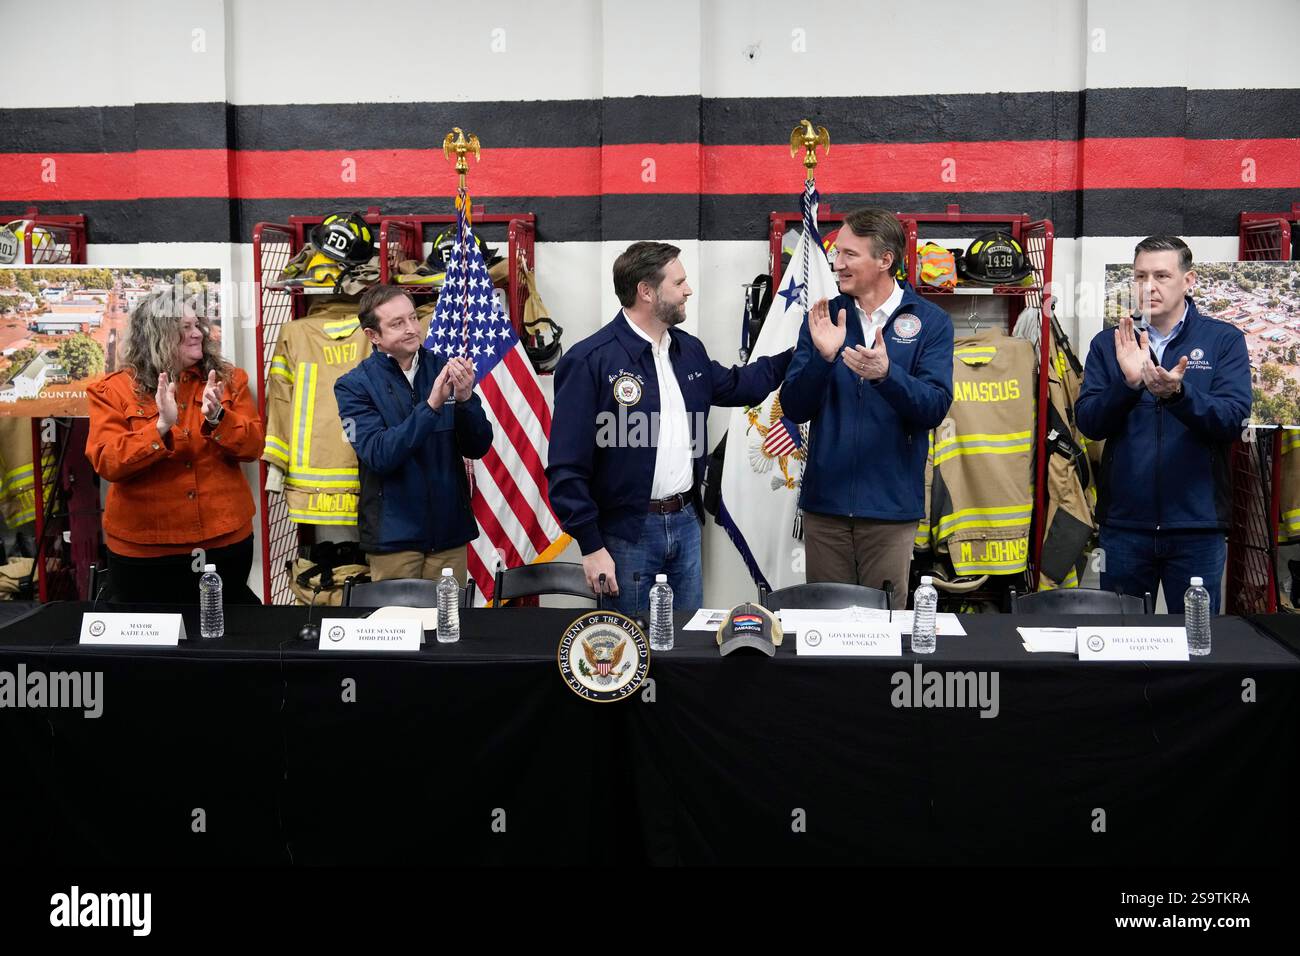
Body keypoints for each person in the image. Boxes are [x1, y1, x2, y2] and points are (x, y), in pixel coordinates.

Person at [546, 241, 793, 617]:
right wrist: (590, 545)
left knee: (688, 647)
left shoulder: (688, 351)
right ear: (646, 291)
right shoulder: (589, 361)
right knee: (628, 650)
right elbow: (567, 467)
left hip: (686, 525)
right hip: (625, 535)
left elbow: (741, 385)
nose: (688, 290)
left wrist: (801, 353)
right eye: (679, 283)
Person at [780, 207, 954, 609]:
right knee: (822, 629)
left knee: (883, 633)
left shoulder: (930, 322)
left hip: (891, 512)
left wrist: (886, 375)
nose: (836, 263)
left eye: (848, 254)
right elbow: (793, 406)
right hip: (826, 510)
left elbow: (933, 408)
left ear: (885, 260)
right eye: (836, 253)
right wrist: (822, 360)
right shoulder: (824, 317)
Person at [1076, 236, 1250, 613]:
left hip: (1197, 526)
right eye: (1140, 276)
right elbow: (1089, 422)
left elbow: (1233, 420)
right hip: (1124, 527)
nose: (1148, 286)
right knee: (1122, 644)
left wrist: (1178, 395)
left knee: (1195, 646)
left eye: (1161, 275)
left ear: (1188, 281)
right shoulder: (1110, 343)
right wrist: (1127, 386)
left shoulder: (1224, 341)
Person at [86, 285, 264, 603]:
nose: (197, 333)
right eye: (185, 328)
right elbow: (107, 462)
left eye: (197, 325)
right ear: (156, 335)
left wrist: (218, 419)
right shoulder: (112, 391)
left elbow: (253, 448)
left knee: (224, 633)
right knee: (150, 646)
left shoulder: (229, 380)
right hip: (143, 549)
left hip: (224, 541)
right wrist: (160, 428)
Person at [333, 285, 492, 582]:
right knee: (398, 624)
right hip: (394, 538)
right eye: (397, 323)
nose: (411, 329)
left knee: (449, 624)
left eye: (412, 318)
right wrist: (431, 406)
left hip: (449, 532)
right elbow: (379, 455)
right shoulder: (353, 386)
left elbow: (478, 445)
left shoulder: (444, 368)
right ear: (373, 336)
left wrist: (466, 400)